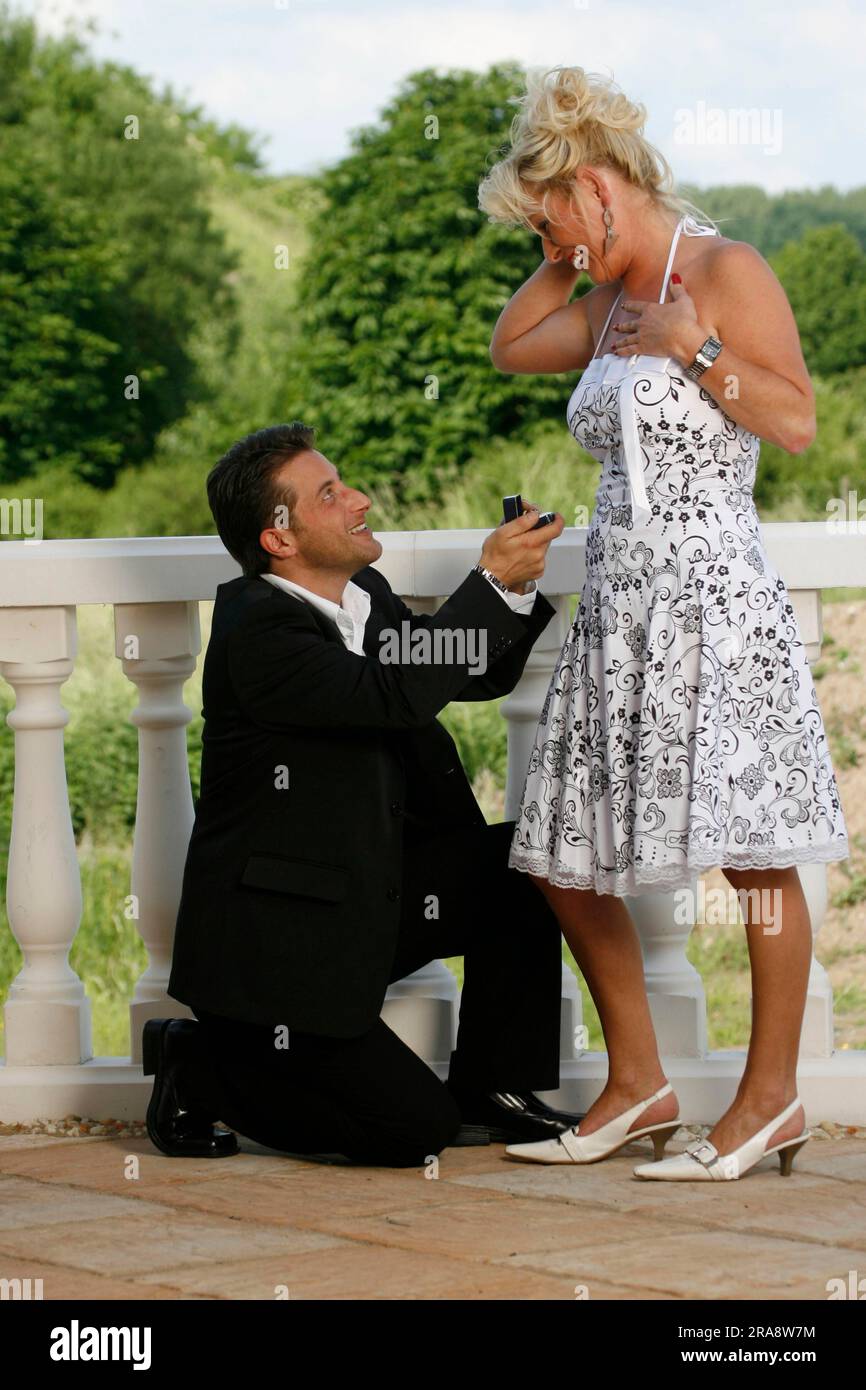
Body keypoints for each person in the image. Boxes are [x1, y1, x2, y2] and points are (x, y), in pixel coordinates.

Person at [476, 65, 849, 1182]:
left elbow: (791, 422)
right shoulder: (599, 294)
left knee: (749, 857)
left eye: (550, 216)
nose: (550, 245)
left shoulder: (725, 270)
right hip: (620, 613)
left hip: (712, 604)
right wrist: (569, 246)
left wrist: (691, 344)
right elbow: (510, 341)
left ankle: (768, 1100)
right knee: (560, 855)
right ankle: (639, 1082)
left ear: (596, 185)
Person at [146, 421, 585, 1167]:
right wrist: (480, 583)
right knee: (411, 1132)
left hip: (362, 895)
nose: (359, 499)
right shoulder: (259, 632)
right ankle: (197, 1065)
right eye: (329, 494)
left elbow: (463, 671)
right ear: (279, 538)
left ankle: (494, 1088)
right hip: (282, 945)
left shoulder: (363, 595)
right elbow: (393, 694)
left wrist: (509, 587)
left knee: (524, 861)